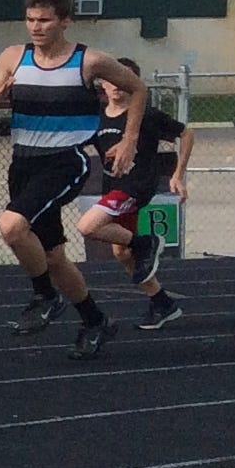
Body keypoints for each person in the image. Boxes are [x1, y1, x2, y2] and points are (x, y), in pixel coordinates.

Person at [0, 0, 152, 361]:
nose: (36, 27)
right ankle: (94, 320)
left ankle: (45, 296)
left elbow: (137, 88)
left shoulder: (89, 62)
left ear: (65, 20)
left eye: (45, 20)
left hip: (66, 160)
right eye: (31, 20)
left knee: (11, 226)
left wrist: (131, 139)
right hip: (23, 162)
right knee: (53, 257)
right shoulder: (12, 57)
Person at [75, 58, 191, 331]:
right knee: (122, 253)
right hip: (113, 187)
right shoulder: (97, 117)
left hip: (136, 186)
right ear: (103, 83)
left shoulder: (145, 116)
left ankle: (146, 243)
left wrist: (177, 175)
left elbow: (187, 134)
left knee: (87, 226)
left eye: (123, 80)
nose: (116, 86)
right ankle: (162, 303)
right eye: (111, 80)